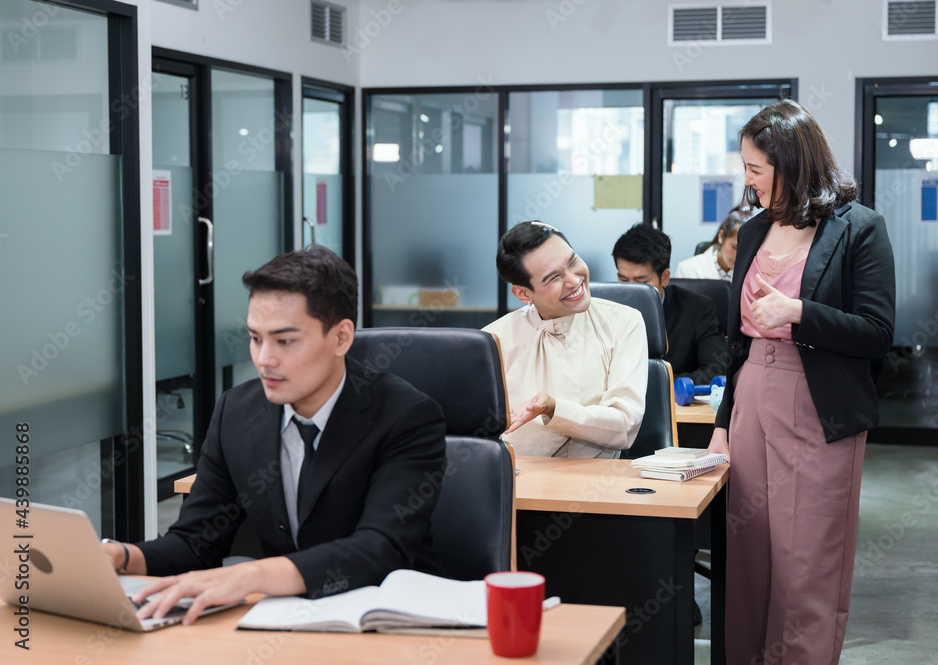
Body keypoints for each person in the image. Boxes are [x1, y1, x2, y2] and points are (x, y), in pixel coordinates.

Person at [101, 246, 447, 624]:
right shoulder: (236, 411)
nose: (264, 359)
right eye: (255, 338)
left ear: (341, 337)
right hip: (286, 621)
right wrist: (122, 556)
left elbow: (379, 550)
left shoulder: (406, 416)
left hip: (390, 624)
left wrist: (252, 574)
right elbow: (195, 542)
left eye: (285, 341)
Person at [708, 100, 895, 664]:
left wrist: (798, 313)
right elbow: (735, 342)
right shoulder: (756, 229)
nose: (748, 181)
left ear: (792, 162)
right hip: (750, 402)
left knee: (807, 566)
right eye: (745, 167)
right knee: (747, 559)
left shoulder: (858, 226)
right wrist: (721, 423)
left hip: (817, 404)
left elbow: (877, 331)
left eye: (756, 169)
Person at [483, 221, 647, 458]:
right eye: (553, 278)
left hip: (597, 484)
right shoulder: (492, 339)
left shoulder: (623, 322)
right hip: (517, 481)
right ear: (523, 293)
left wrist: (554, 409)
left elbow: (624, 426)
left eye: (572, 262)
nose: (574, 280)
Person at [612, 223, 726, 385]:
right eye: (623, 280)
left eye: (641, 281)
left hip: (675, 404)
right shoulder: (608, 309)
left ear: (664, 277)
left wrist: (659, 385)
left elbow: (716, 371)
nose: (632, 289)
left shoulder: (698, 308)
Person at [674, 205, 749, 281]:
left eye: (744, 250)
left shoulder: (750, 273)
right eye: (734, 247)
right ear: (721, 236)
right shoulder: (687, 270)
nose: (738, 255)